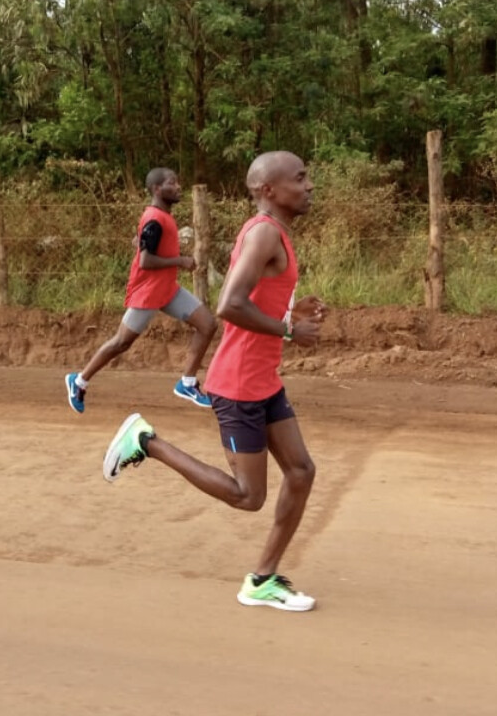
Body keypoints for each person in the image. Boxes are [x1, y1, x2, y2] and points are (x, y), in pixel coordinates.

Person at [101, 151, 326, 611]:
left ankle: (262, 580)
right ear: (268, 190)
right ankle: (147, 442)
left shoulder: (271, 232)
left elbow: (253, 301)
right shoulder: (264, 232)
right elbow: (228, 306)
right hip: (239, 382)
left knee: (301, 471)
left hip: (262, 377)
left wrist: (290, 311)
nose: (309, 186)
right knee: (248, 496)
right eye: (299, 178)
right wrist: (287, 329)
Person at [65, 167, 217, 413]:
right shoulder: (155, 218)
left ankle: (187, 383)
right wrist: (180, 261)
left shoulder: (159, 216)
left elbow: (143, 244)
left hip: (166, 289)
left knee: (208, 324)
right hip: (148, 292)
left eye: (178, 182)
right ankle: (79, 381)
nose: (178, 187)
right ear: (157, 189)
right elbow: (146, 261)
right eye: (172, 183)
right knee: (121, 342)